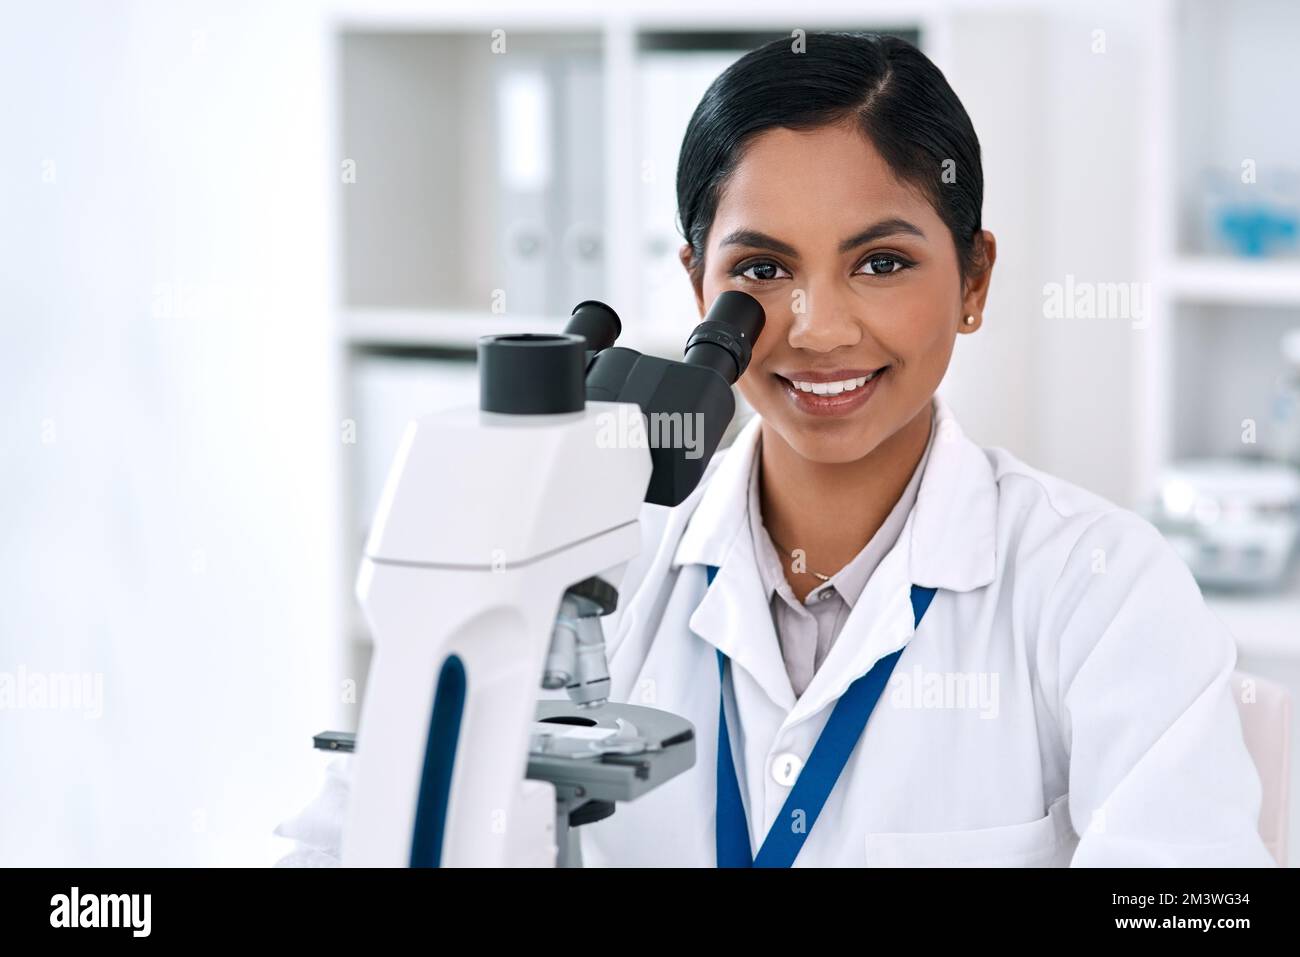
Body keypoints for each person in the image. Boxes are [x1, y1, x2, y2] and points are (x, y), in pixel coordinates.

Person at [275, 31, 1274, 867]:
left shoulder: (1098, 588)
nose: (819, 327)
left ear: (974, 279)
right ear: (699, 287)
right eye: (761, 270)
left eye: (881, 263)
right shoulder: (593, 555)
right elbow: (348, 832)